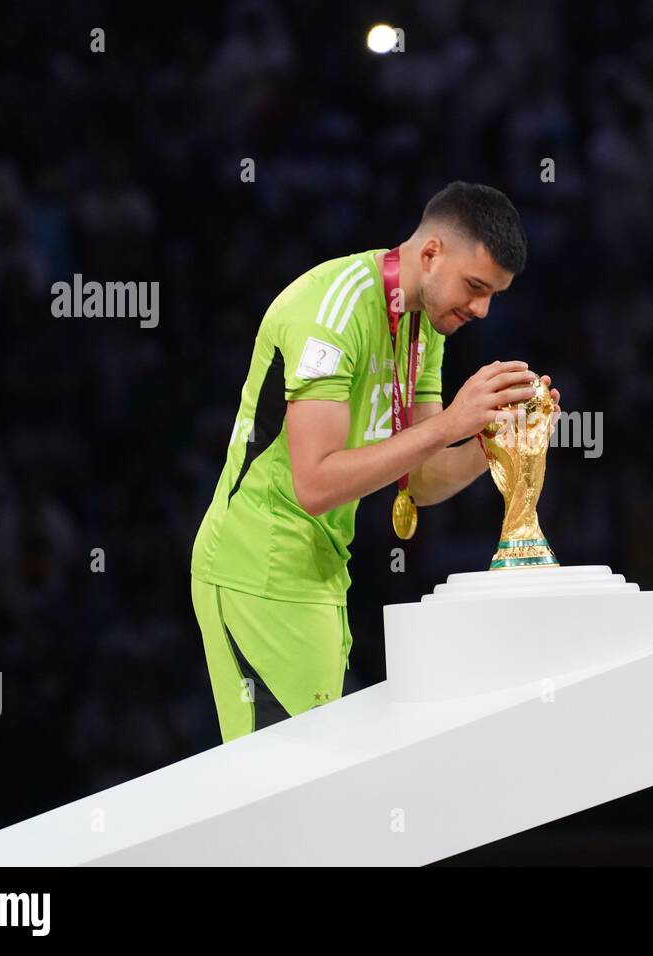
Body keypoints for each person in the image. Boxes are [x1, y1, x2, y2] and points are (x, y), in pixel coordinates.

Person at [189, 182, 560, 743]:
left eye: (493, 296)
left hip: (320, 575)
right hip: (258, 572)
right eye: (476, 287)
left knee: (306, 796)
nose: (481, 310)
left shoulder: (423, 327)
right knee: (280, 799)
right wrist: (452, 423)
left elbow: (422, 478)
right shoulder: (333, 310)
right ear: (431, 253)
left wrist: (491, 445)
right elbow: (314, 483)